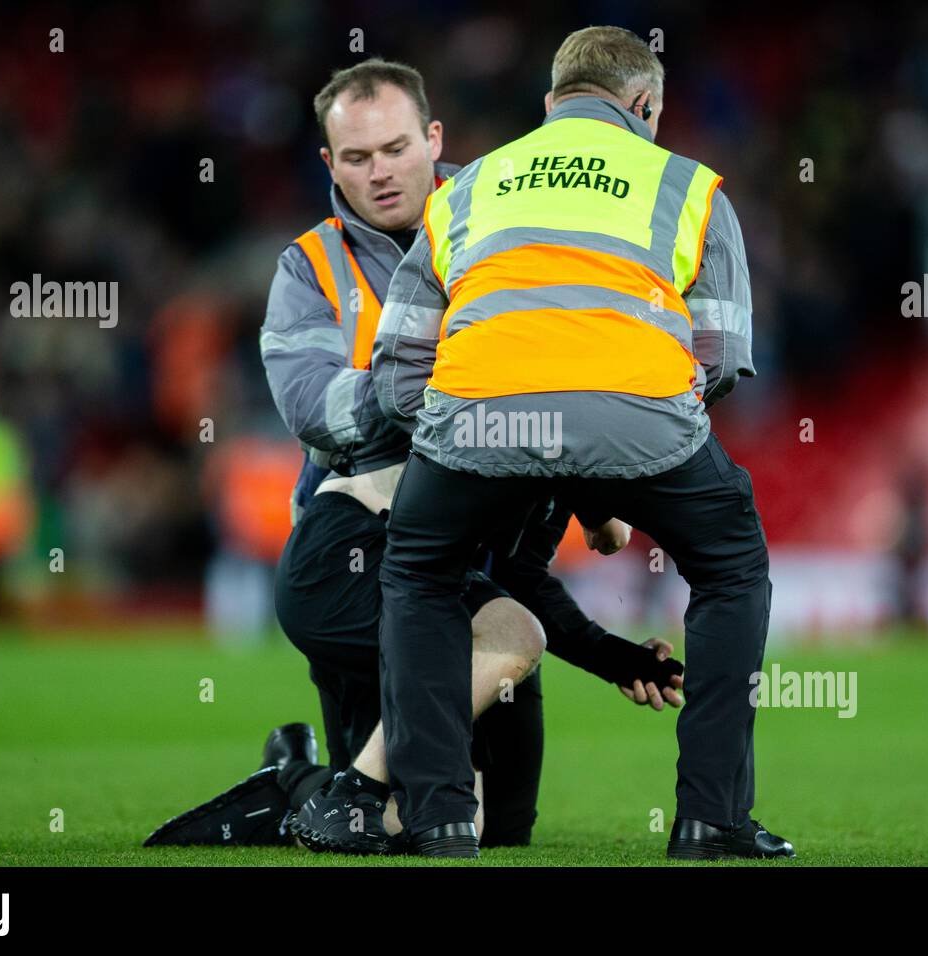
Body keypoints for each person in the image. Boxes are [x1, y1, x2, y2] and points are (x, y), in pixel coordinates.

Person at [144, 58, 685, 853]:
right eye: (356, 159)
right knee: (426, 812)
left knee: (501, 827)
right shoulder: (309, 270)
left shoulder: (507, 223)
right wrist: (458, 390)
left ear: (434, 139)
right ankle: (337, 788)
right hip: (358, 557)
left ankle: (299, 782)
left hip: (472, 567)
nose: (381, 172)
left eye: (396, 148)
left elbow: (530, 536)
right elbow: (315, 413)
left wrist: (610, 640)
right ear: (329, 164)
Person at [372, 26, 795, 859]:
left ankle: (442, 818)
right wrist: (607, 465)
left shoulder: (468, 187)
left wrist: (465, 440)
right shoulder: (692, 185)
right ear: (644, 106)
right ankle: (710, 820)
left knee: (418, 572)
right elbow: (720, 359)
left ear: (550, 105)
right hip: (640, 414)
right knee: (731, 567)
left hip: (476, 415)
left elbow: (401, 357)